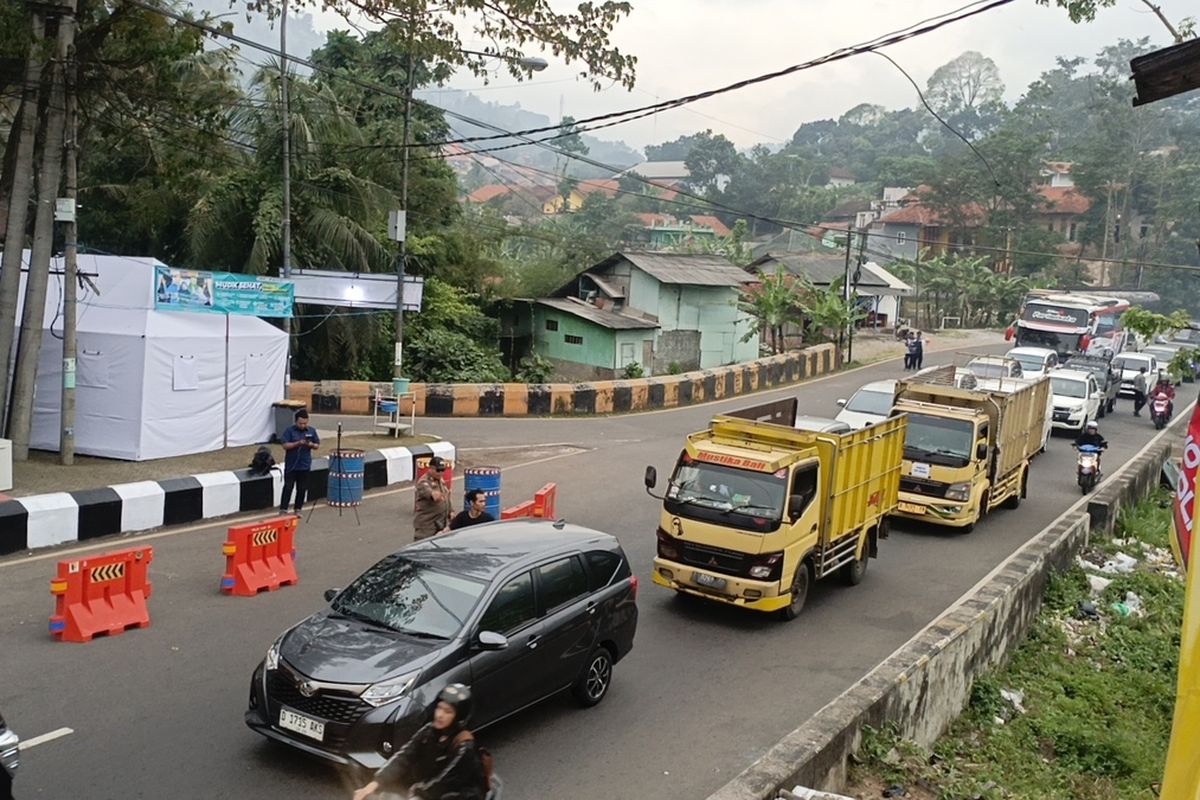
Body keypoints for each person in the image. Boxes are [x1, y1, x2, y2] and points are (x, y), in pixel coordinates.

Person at [351, 684, 488, 800]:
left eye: (448, 712)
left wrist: (418, 795)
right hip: (429, 784)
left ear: (458, 717)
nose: (440, 715)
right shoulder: (429, 731)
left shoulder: (464, 747)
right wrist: (374, 784)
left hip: (459, 794)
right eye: (439, 708)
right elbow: (404, 756)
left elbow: (444, 781)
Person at [279, 409, 319, 515]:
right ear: (296, 421)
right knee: (288, 487)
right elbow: (285, 445)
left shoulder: (311, 431)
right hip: (291, 465)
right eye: (300, 423)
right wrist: (297, 443)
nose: (303, 425)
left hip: (304, 465)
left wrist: (310, 445)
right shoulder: (289, 431)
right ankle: (283, 509)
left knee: (301, 489)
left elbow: (317, 445)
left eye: (305, 423)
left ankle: (298, 509)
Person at [414, 456, 453, 540]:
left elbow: (446, 497)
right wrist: (437, 495)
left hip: (440, 523)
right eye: (438, 470)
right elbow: (434, 495)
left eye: (443, 470)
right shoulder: (423, 482)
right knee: (424, 545)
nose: (441, 473)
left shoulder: (439, 480)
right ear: (430, 469)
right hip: (427, 526)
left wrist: (450, 511)